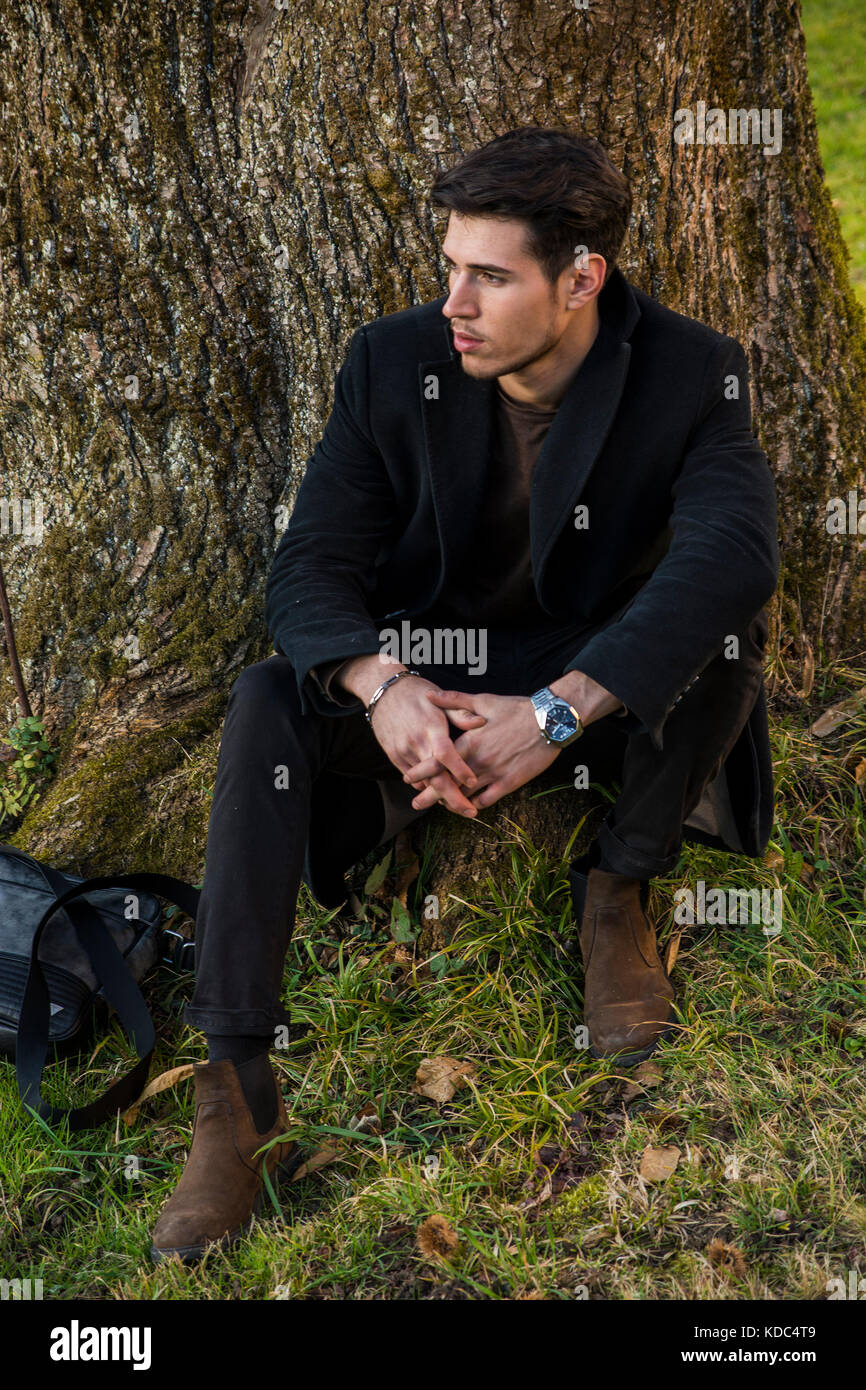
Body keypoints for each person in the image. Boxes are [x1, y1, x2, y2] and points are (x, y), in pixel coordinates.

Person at [150, 127, 779, 1263]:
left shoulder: (692, 372)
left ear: (580, 279)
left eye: (489, 275)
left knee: (726, 632)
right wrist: (379, 682)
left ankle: (616, 887)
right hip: (423, 672)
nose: (456, 300)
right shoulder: (391, 361)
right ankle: (235, 1086)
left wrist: (553, 715)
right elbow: (308, 565)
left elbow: (733, 552)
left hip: (588, 684)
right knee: (264, 699)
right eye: (449, 267)